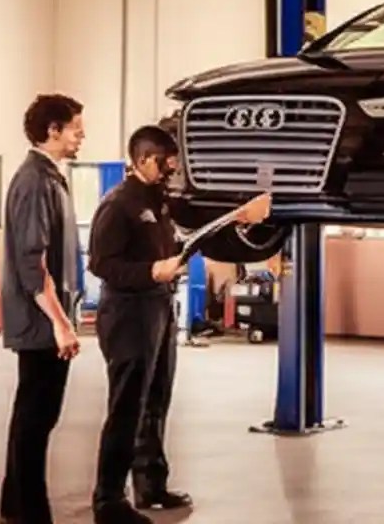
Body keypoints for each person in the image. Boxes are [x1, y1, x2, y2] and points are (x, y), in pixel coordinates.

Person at [87, 124, 270, 523]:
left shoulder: (161, 202)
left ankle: (150, 485)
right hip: (127, 313)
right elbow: (101, 264)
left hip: (157, 309)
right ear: (142, 160)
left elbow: (193, 234)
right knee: (127, 407)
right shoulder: (118, 205)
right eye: (164, 163)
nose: (171, 170)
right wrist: (153, 271)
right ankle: (108, 500)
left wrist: (239, 217)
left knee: (155, 400)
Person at [0, 93, 86, 524]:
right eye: (75, 128)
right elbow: (33, 262)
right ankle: (31, 515)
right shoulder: (35, 181)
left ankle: (15, 510)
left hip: (45, 321)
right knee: (36, 419)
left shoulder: (50, 177)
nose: (81, 135)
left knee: (33, 416)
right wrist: (61, 323)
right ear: (52, 130)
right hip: (40, 324)